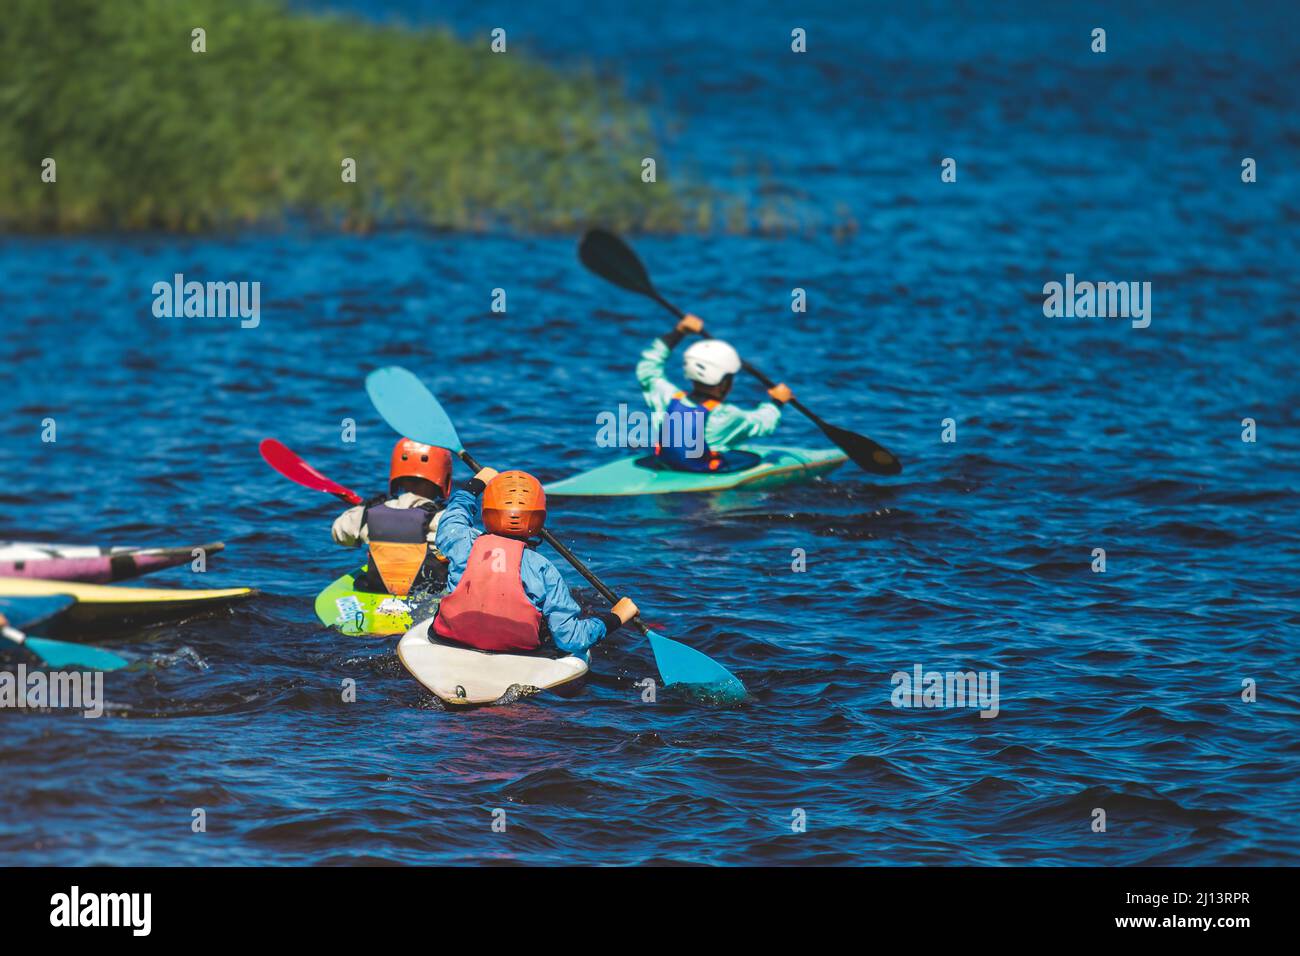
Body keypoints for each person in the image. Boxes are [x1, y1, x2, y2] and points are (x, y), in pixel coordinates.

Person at [432, 468, 638, 657]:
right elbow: (571, 639)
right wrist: (614, 618)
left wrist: (476, 484)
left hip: (450, 640)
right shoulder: (544, 568)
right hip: (516, 653)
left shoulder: (461, 541)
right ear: (538, 519)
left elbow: (453, 516)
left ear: (487, 513)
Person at [635, 313, 793, 472]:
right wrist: (777, 402)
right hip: (704, 479)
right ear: (723, 383)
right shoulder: (725, 416)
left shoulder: (667, 397)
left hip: (667, 465)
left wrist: (679, 331)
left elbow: (648, 369)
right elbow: (762, 424)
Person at [332, 438, 453, 596]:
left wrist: (361, 510)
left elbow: (339, 533)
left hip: (379, 592)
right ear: (443, 479)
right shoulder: (443, 518)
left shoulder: (367, 513)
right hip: (425, 597)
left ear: (397, 478)